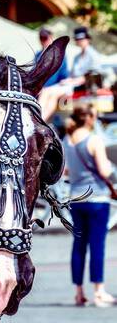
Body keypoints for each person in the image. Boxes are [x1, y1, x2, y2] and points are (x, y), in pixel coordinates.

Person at [62, 104, 116, 307]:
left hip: (76, 198)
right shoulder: (94, 140)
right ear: (90, 118)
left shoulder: (68, 140)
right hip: (97, 198)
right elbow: (104, 170)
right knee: (97, 246)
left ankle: (79, 293)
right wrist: (111, 168)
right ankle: (99, 291)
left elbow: (65, 170)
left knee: (78, 246)